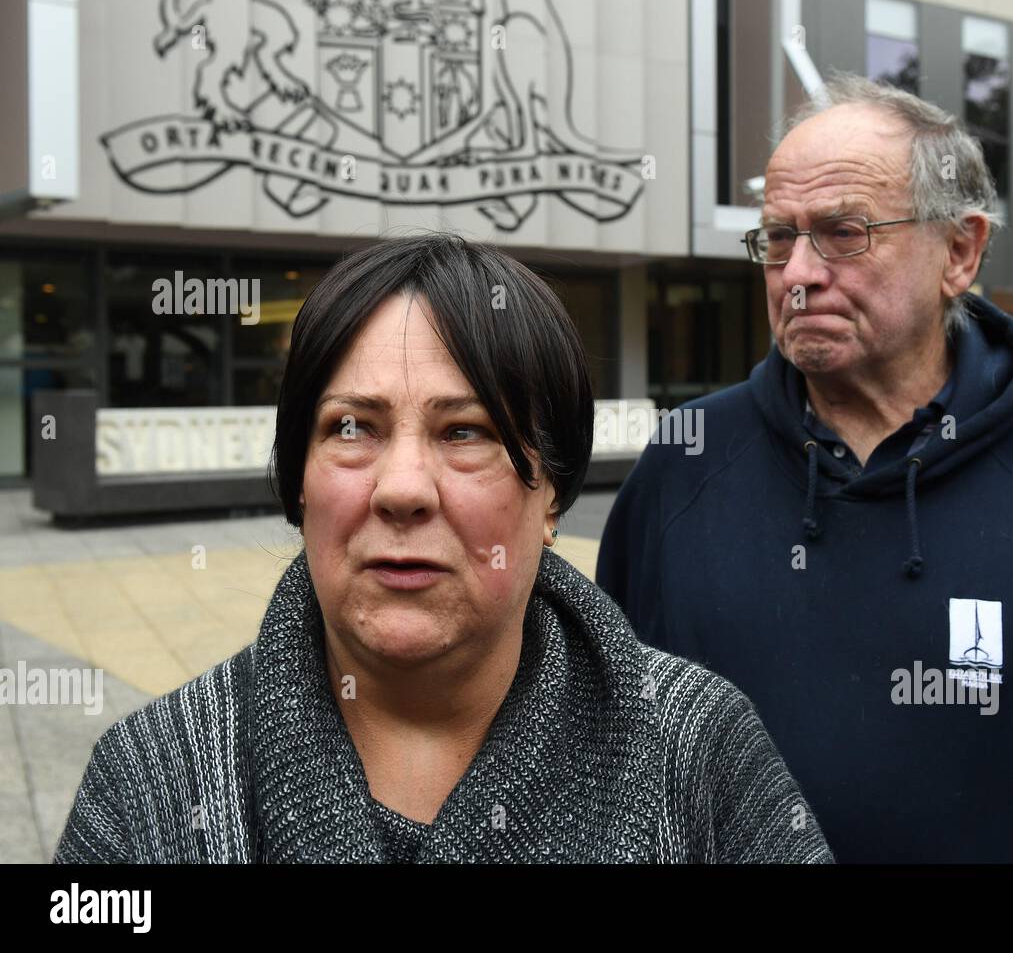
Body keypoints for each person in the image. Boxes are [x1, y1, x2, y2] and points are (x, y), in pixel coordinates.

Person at [597, 76, 1013, 862]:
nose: (798, 273)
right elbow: (607, 756)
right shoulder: (685, 465)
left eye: (844, 232)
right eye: (778, 237)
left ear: (961, 251)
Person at [54, 234, 832, 864]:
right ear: (298, 485)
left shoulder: (699, 752)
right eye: (351, 428)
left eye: (465, 432)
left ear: (552, 493)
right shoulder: (152, 780)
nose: (402, 489)